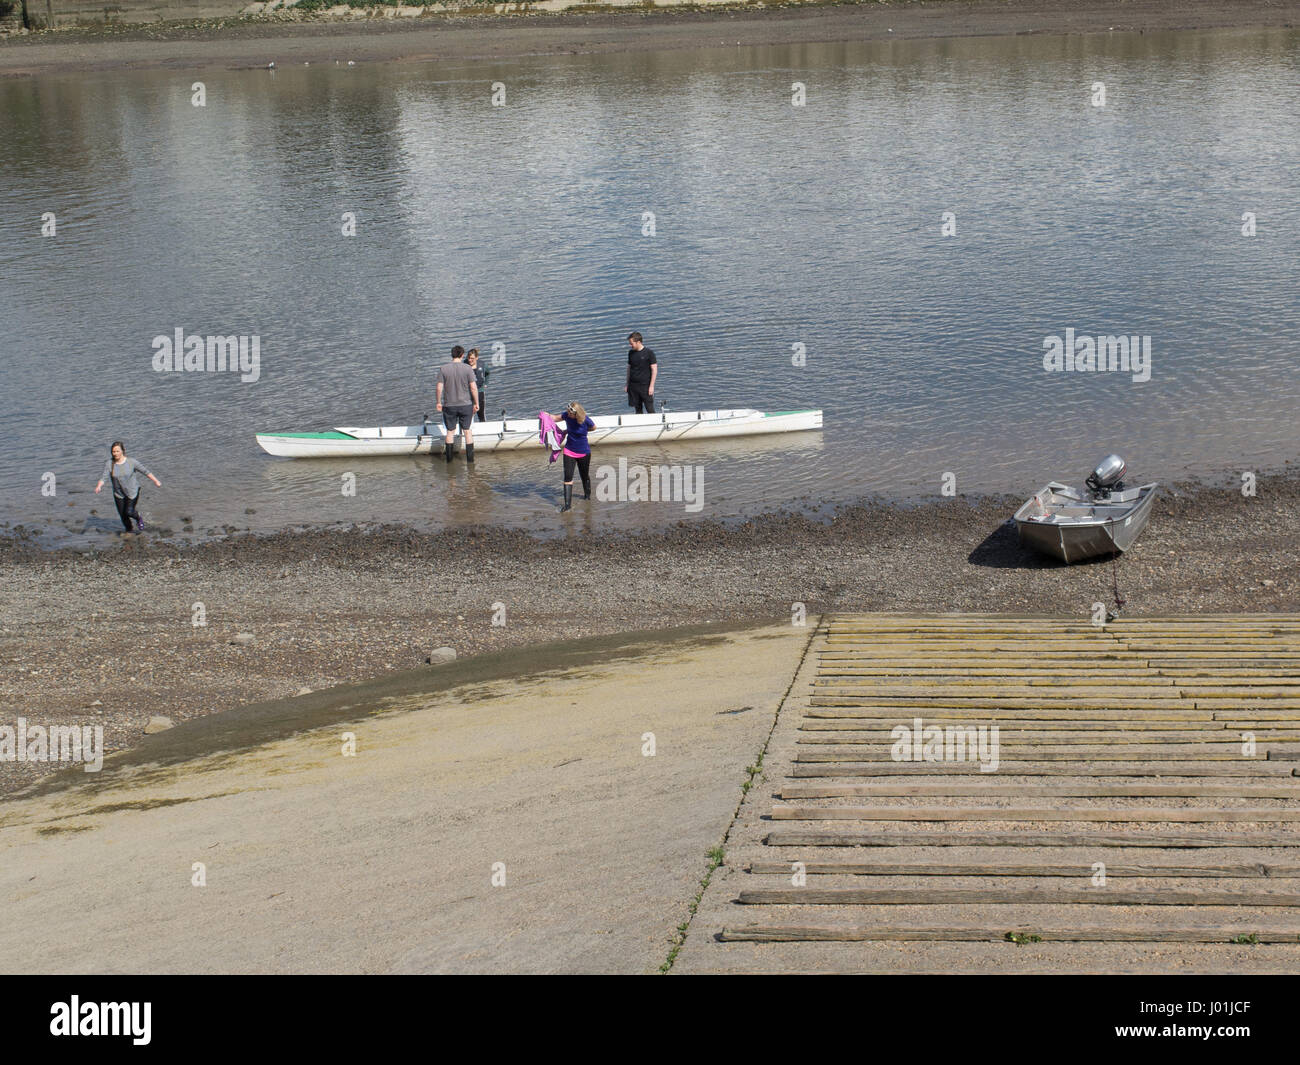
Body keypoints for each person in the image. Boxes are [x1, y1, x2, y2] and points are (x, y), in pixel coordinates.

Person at [94, 441, 161, 532]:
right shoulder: (109, 463)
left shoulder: (131, 462)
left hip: (132, 492)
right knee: (123, 516)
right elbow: (104, 477)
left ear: (123, 451)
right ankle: (129, 532)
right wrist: (99, 486)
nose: (115, 453)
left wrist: (156, 481)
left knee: (129, 511)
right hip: (119, 494)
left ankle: (138, 518)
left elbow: (145, 471)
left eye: (117, 451)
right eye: (113, 452)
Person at [435, 345, 480, 462]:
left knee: (450, 432)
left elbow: (439, 388)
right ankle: (470, 461)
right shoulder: (467, 368)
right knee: (467, 432)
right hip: (466, 405)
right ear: (462, 355)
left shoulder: (443, 368)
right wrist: (476, 403)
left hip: (449, 405)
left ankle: (449, 461)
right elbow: (473, 388)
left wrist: (438, 402)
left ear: (452, 354)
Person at [552, 401, 595, 512]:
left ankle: (587, 496)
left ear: (577, 413)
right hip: (569, 450)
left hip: (583, 452)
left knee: (584, 475)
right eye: (567, 412)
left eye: (570, 413)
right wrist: (545, 415)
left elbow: (593, 427)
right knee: (568, 477)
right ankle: (567, 506)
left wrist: (584, 431)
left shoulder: (585, 419)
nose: (568, 415)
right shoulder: (567, 415)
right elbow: (555, 418)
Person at [625, 331, 658, 414]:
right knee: (638, 409)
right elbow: (629, 368)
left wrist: (651, 386)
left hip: (645, 386)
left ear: (638, 342)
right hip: (633, 386)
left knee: (649, 408)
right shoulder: (631, 353)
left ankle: (655, 424)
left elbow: (654, 370)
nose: (630, 345)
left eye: (631, 343)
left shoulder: (649, 353)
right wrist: (627, 384)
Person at [466, 348, 490, 423]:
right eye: (469, 358)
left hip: (480, 391)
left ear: (477, 358)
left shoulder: (483, 365)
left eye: (472, 358)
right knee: (468, 414)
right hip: (468, 392)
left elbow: (488, 373)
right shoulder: (464, 365)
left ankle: (483, 428)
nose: (470, 360)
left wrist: (486, 383)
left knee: (481, 414)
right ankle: (468, 430)